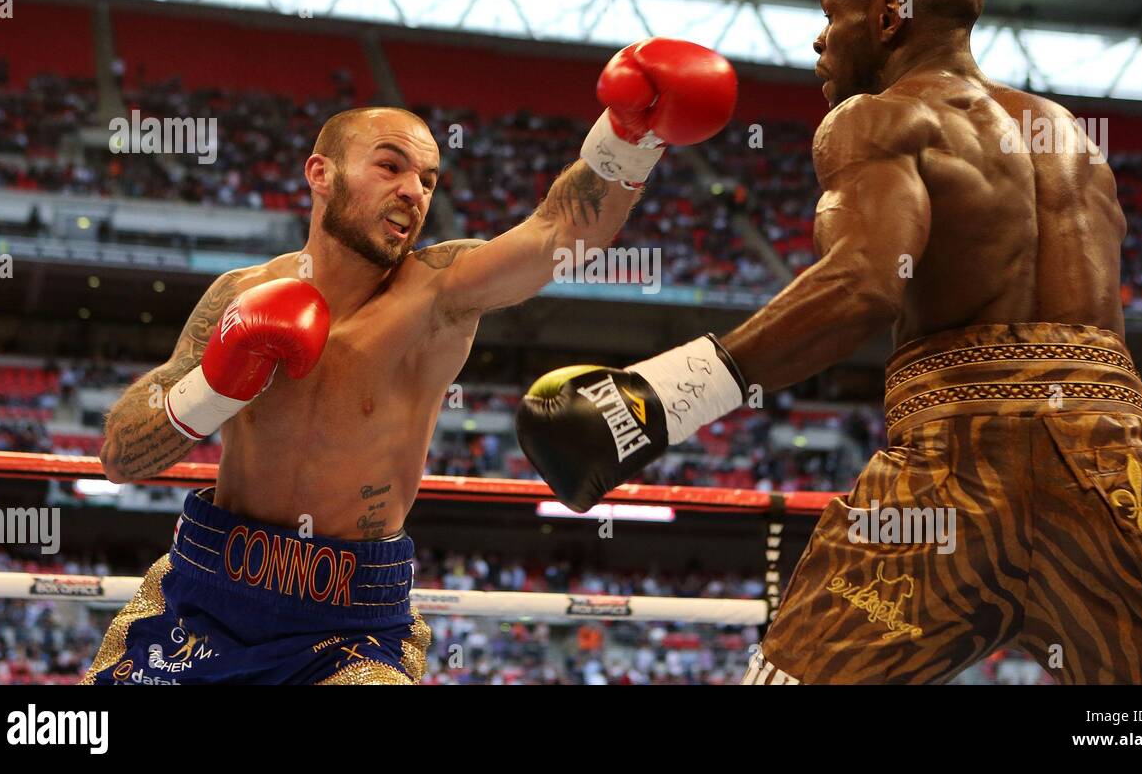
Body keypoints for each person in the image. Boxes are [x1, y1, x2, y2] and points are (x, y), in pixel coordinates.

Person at [517, 0, 1142, 685]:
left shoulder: (878, 118)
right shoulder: (1069, 138)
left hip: (958, 472)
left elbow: (862, 284)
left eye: (830, 17)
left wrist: (657, 400)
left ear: (888, 17)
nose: (817, 43)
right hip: (1117, 465)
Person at [81, 38, 736, 685]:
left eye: (427, 180)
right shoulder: (239, 294)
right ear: (321, 174)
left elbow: (560, 233)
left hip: (347, 623)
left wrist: (629, 134)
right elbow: (121, 454)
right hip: (203, 595)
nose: (413, 192)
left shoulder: (439, 292)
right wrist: (215, 386)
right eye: (390, 167)